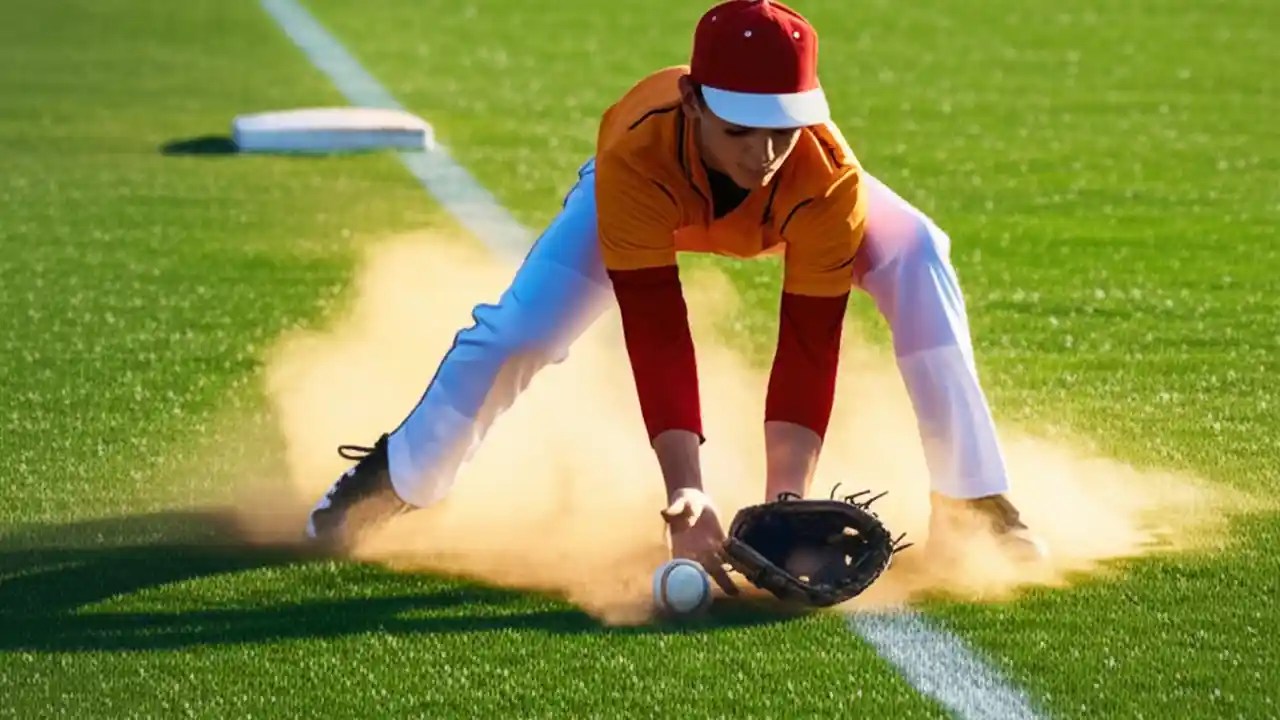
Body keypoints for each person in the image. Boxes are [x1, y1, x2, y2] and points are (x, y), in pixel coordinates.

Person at [304, 0, 1045, 592]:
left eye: (784, 128)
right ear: (692, 99)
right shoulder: (639, 148)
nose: (765, 154)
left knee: (919, 250)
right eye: (742, 129)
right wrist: (686, 490)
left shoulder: (824, 175)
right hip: (648, 195)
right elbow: (658, 329)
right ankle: (397, 477)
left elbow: (809, 342)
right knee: (519, 332)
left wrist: (783, 506)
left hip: (795, 219)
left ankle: (972, 500)